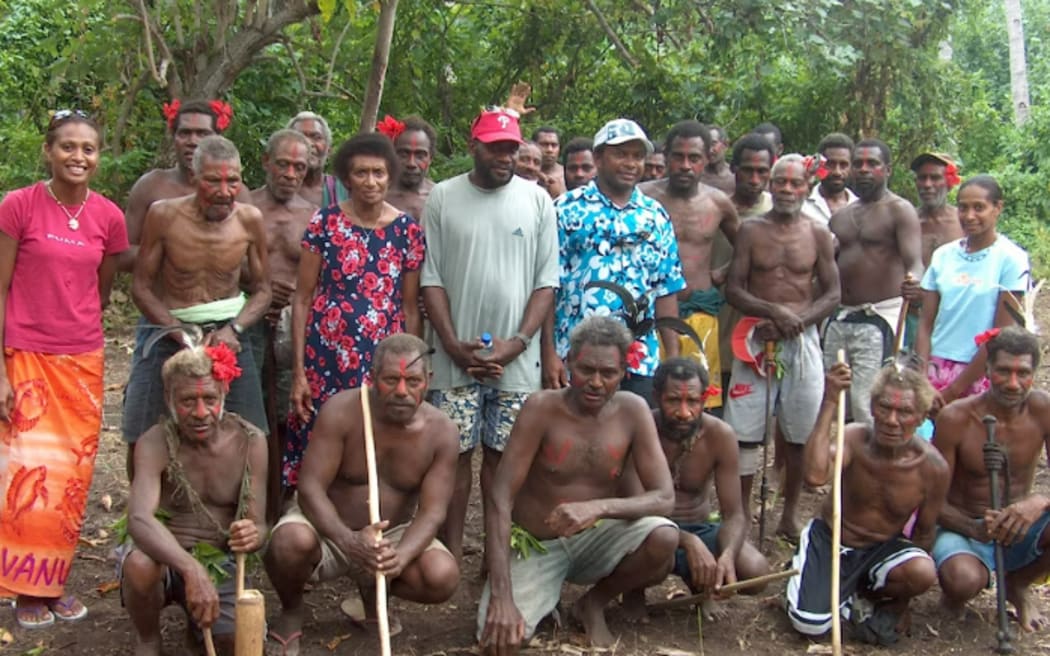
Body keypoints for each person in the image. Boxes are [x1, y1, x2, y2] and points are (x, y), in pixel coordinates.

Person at [478, 316, 678, 651]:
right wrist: (502, 596)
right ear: (569, 362)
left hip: (598, 538)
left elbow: (664, 497)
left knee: (664, 538)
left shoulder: (633, 410)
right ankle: (542, 596)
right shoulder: (541, 409)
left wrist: (597, 508)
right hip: (539, 544)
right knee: (499, 641)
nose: (596, 383)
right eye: (586, 370)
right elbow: (500, 498)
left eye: (608, 373)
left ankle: (593, 603)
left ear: (624, 372)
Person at [0, 110, 128, 628]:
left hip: (82, 363)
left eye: (88, 149)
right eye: (68, 147)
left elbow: (101, 291)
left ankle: (52, 584)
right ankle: (25, 590)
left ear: (99, 156)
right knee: (29, 476)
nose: (78, 156)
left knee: (71, 481)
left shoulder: (109, 217)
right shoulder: (18, 206)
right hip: (27, 358)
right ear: (48, 151)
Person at [421, 108, 559, 563]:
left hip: (516, 360)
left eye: (511, 149)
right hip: (453, 356)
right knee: (454, 454)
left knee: (505, 458)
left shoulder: (537, 200)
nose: (505, 157)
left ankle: (496, 556)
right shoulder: (442, 197)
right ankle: (450, 553)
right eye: (495, 148)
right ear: (473, 146)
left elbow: (546, 283)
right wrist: (452, 345)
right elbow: (431, 278)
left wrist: (517, 343)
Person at [265, 334, 460, 653]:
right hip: (328, 528)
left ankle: (374, 591)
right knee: (289, 544)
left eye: (412, 381)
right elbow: (310, 488)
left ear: (428, 380)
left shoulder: (442, 432)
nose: (401, 391)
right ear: (372, 377)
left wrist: (400, 557)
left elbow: (433, 512)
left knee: (441, 576)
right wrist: (348, 541)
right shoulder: (342, 411)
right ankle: (291, 611)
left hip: (390, 535)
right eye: (391, 380)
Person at [286, 133, 425, 490]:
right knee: (321, 431)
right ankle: (310, 511)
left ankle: (371, 510)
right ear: (346, 179)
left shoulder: (407, 231)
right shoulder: (324, 223)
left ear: (390, 176)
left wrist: (413, 368)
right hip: (326, 355)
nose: (370, 181)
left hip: (383, 359)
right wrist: (299, 371)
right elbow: (302, 298)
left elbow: (410, 306)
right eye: (361, 173)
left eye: (378, 173)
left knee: (376, 434)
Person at [124, 136, 270, 464]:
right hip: (167, 326)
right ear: (194, 177)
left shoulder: (250, 220)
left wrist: (234, 330)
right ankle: (144, 495)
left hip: (229, 331)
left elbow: (264, 291)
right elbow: (142, 288)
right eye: (213, 181)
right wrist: (180, 332)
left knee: (251, 432)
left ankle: (247, 498)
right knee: (141, 428)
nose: (224, 191)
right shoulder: (163, 215)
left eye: (233, 181)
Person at [120, 344, 268, 656]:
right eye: (188, 401)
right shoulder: (155, 442)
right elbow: (139, 519)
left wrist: (253, 534)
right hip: (164, 557)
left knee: (234, 645)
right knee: (139, 564)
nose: (201, 413)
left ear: (224, 393)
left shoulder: (250, 441)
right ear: (169, 399)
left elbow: (260, 524)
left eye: (209, 400)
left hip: (219, 560)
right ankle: (148, 638)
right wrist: (191, 570)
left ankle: (198, 629)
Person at [787, 363, 948, 643]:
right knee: (809, 624)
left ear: (922, 417)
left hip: (880, 549)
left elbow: (924, 533)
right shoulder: (854, 438)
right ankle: (829, 591)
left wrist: (902, 603)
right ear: (872, 407)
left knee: (922, 571)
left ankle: (856, 594)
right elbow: (814, 475)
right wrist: (829, 401)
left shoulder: (933, 468)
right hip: (831, 540)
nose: (892, 420)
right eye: (884, 408)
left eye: (904, 412)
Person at [724, 154, 840, 540]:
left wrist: (796, 322)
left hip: (801, 341)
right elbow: (734, 287)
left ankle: (789, 516)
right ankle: (741, 516)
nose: (787, 190)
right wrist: (772, 312)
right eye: (780, 182)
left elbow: (833, 293)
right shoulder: (751, 231)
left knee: (798, 433)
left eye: (795, 183)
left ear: (807, 187)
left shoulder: (818, 233)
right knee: (743, 432)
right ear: (771, 186)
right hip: (754, 338)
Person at [545, 118, 685, 404]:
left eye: (637, 156)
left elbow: (666, 289)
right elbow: (547, 286)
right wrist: (547, 353)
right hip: (577, 358)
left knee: (634, 429)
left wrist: (672, 361)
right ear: (598, 158)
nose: (630, 163)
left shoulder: (655, 216)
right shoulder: (565, 209)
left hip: (639, 360)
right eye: (621, 154)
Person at [622, 357, 770, 620]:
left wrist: (727, 556)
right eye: (673, 400)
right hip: (647, 532)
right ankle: (633, 590)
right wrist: (689, 543)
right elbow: (634, 508)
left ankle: (702, 586)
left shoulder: (720, 435)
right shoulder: (640, 430)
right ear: (656, 397)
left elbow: (734, 514)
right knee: (660, 549)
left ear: (704, 399)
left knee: (755, 569)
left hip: (700, 528)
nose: (684, 412)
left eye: (692, 401)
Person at [932, 327, 1050, 633]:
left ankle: (1017, 584)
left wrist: (1037, 502)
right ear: (987, 369)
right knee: (962, 581)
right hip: (963, 527)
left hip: (1020, 526)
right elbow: (930, 501)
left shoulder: (1043, 410)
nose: (1013, 383)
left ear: (1034, 374)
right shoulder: (956, 418)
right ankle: (957, 591)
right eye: (1003, 371)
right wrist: (972, 528)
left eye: (1022, 373)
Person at [639, 120, 739, 410]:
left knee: (700, 399)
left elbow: (746, 246)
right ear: (665, 157)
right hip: (649, 314)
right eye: (678, 157)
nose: (685, 165)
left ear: (706, 159)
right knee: (651, 397)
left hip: (699, 312)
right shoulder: (642, 197)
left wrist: (724, 272)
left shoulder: (718, 203)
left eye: (693, 158)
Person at [826, 139, 923, 426]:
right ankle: (841, 454)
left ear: (888, 169)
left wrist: (914, 281)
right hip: (842, 317)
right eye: (858, 164)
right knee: (835, 399)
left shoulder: (899, 210)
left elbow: (915, 260)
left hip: (880, 317)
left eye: (872, 164)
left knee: (868, 403)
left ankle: (873, 454)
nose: (864, 169)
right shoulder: (842, 216)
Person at [914, 175, 1029, 411]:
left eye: (979, 207)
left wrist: (954, 389)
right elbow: (925, 323)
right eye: (963, 208)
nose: (969, 216)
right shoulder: (943, 256)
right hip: (935, 368)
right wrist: (923, 379)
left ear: (997, 208)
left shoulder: (1011, 259)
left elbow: (1000, 334)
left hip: (982, 369)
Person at [248, 128, 317, 514]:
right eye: (283, 164)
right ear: (266, 162)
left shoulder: (313, 215)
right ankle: (251, 504)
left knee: (290, 415)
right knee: (249, 414)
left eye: (299, 167)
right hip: (247, 321)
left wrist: (294, 300)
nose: (290, 174)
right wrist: (256, 288)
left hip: (294, 327)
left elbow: (322, 277)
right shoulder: (243, 205)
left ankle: (285, 504)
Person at [121, 100, 244, 271]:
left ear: (218, 138)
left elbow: (252, 260)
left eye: (203, 133)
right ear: (174, 137)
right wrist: (175, 253)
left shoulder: (236, 193)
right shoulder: (150, 186)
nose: (193, 141)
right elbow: (123, 255)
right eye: (185, 133)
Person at [711, 133, 776, 397]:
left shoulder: (777, 210)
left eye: (762, 171)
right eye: (748, 170)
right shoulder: (715, 207)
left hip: (756, 311)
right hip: (716, 309)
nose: (755, 179)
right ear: (734, 169)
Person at [905, 152, 963, 349]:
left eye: (935, 178)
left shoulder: (963, 222)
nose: (927, 184)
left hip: (953, 318)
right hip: (912, 319)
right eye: (922, 178)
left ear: (949, 181)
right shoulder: (906, 222)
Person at [287, 111, 347, 208]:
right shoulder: (275, 191)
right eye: (300, 137)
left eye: (316, 137)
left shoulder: (345, 191)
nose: (308, 143)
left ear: (329, 150)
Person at [384, 116, 437, 220]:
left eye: (420, 156)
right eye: (403, 155)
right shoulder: (377, 197)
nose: (411, 163)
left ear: (430, 158)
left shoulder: (441, 198)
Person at [801, 132, 857, 225]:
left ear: (851, 167)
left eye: (843, 165)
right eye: (830, 164)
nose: (837, 172)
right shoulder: (801, 205)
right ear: (820, 164)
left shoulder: (861, 208)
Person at [700, 125, 734, 195]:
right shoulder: (696, 176)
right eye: (706, 145)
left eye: (713, 144)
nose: (710, 150)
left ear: (726, 145)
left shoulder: (735, 177)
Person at [533, 126, 566, 197]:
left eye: (554, 145)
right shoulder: (524, 174)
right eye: (544, 145)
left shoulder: (567, 175)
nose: (549, 150)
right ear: (534, 146)